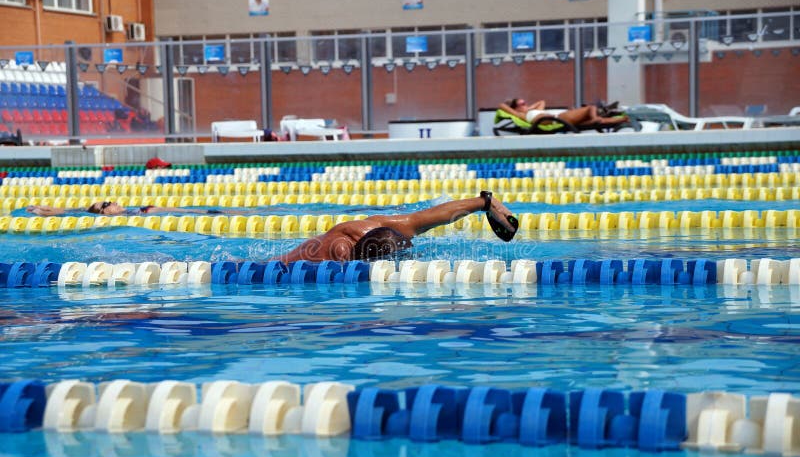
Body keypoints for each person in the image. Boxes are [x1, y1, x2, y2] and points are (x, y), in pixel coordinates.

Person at [269, 191, 516, 263]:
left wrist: (485, 203)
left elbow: (434, 216)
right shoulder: (335, 255)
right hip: (275, 264)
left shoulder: (381, 226)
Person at [499, 98, 628, 128]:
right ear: (515, 108)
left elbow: (542, 101)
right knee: (591, 108)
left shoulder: (532, 111)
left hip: (558, 118)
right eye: (522, 104)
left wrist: (529, 108)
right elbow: (502, 106)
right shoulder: (520, 115)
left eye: (525, 102)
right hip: (558, 118)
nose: (525, 104)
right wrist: (524, 110)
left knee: (597, 118)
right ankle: (600, 114)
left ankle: (623, 119)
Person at [26, 201, 234, 217]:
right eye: (106, 205)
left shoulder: (138, 211)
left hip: (205, 214)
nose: (112, 203)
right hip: (205, 214)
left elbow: (73, 210)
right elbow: (74, 212)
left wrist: (42, 209)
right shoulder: (139, 213)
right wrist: (39, 211)